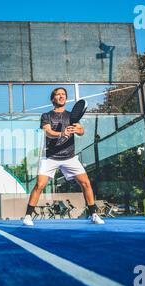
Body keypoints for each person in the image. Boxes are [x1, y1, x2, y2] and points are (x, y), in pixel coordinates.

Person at [23, 87, 104, 226]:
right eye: (58, 94)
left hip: (69, 157)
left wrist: (76, 129)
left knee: (86, 183)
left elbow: (81, 130)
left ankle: (93, 214)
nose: (61, 96)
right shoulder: (46, 116)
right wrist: (61, 133)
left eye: (63, 94)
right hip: (50, 156)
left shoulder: (71, 115)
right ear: (53, 99)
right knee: (39, 185)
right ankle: (28, 216)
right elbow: (48, 132)